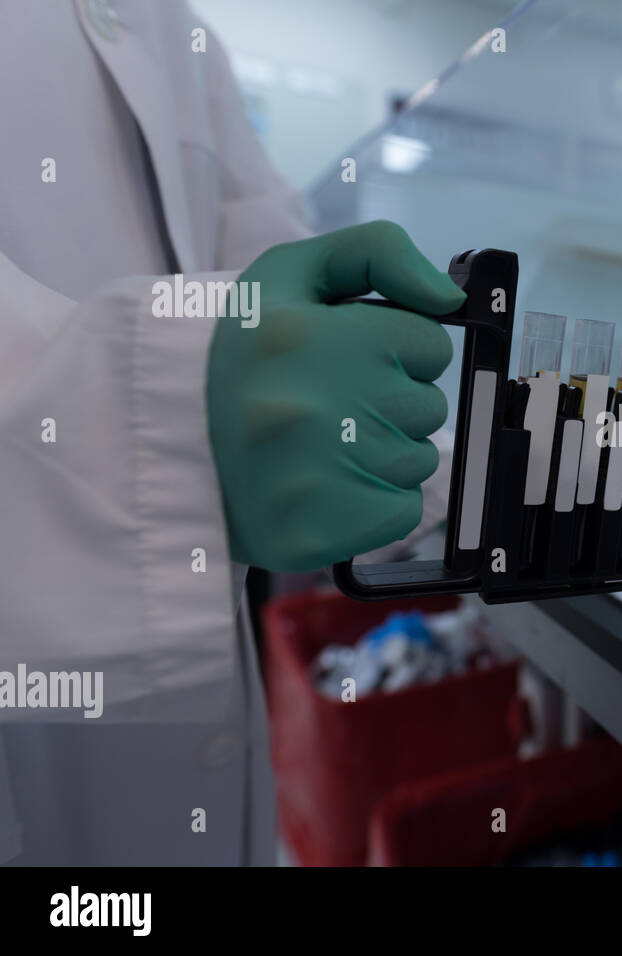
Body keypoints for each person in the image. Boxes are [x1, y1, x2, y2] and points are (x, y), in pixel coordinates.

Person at [0, 0, 459, 864]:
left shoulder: (171, 22)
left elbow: (264, 249)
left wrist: (488, 452)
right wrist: (159, 422)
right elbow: (194, 373)